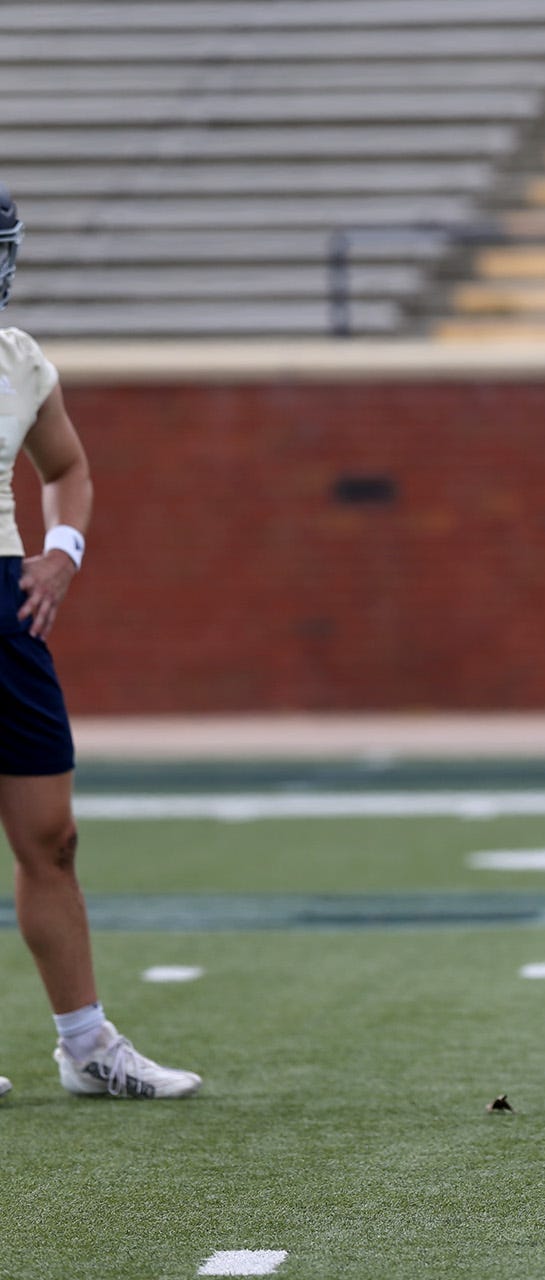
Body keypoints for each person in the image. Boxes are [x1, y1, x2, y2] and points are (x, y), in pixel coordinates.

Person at [0, 183, 201, 1100]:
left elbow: (67, 467)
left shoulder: (19, 359)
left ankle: (86, 1047)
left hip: (7, 599)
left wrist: (61, 553)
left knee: (53, 836)